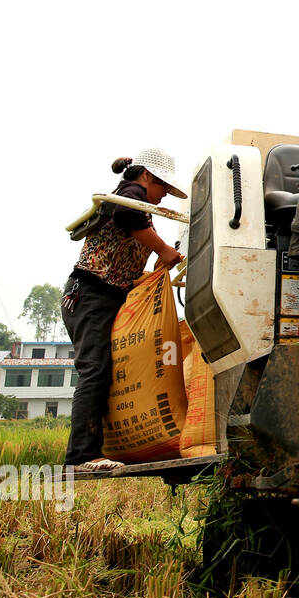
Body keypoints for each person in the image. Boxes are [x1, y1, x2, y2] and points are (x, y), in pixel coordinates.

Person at [61, 149, 185, 472]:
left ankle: (106, 447)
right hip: (88, 295)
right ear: (147, 177)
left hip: (107, 298)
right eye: (163, 188)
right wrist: (163, 249)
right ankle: (80, 457)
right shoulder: (130, 197)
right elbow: (124, 216)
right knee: (95, 369)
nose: (163, 196)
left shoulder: (140, 207)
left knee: (107, 370)